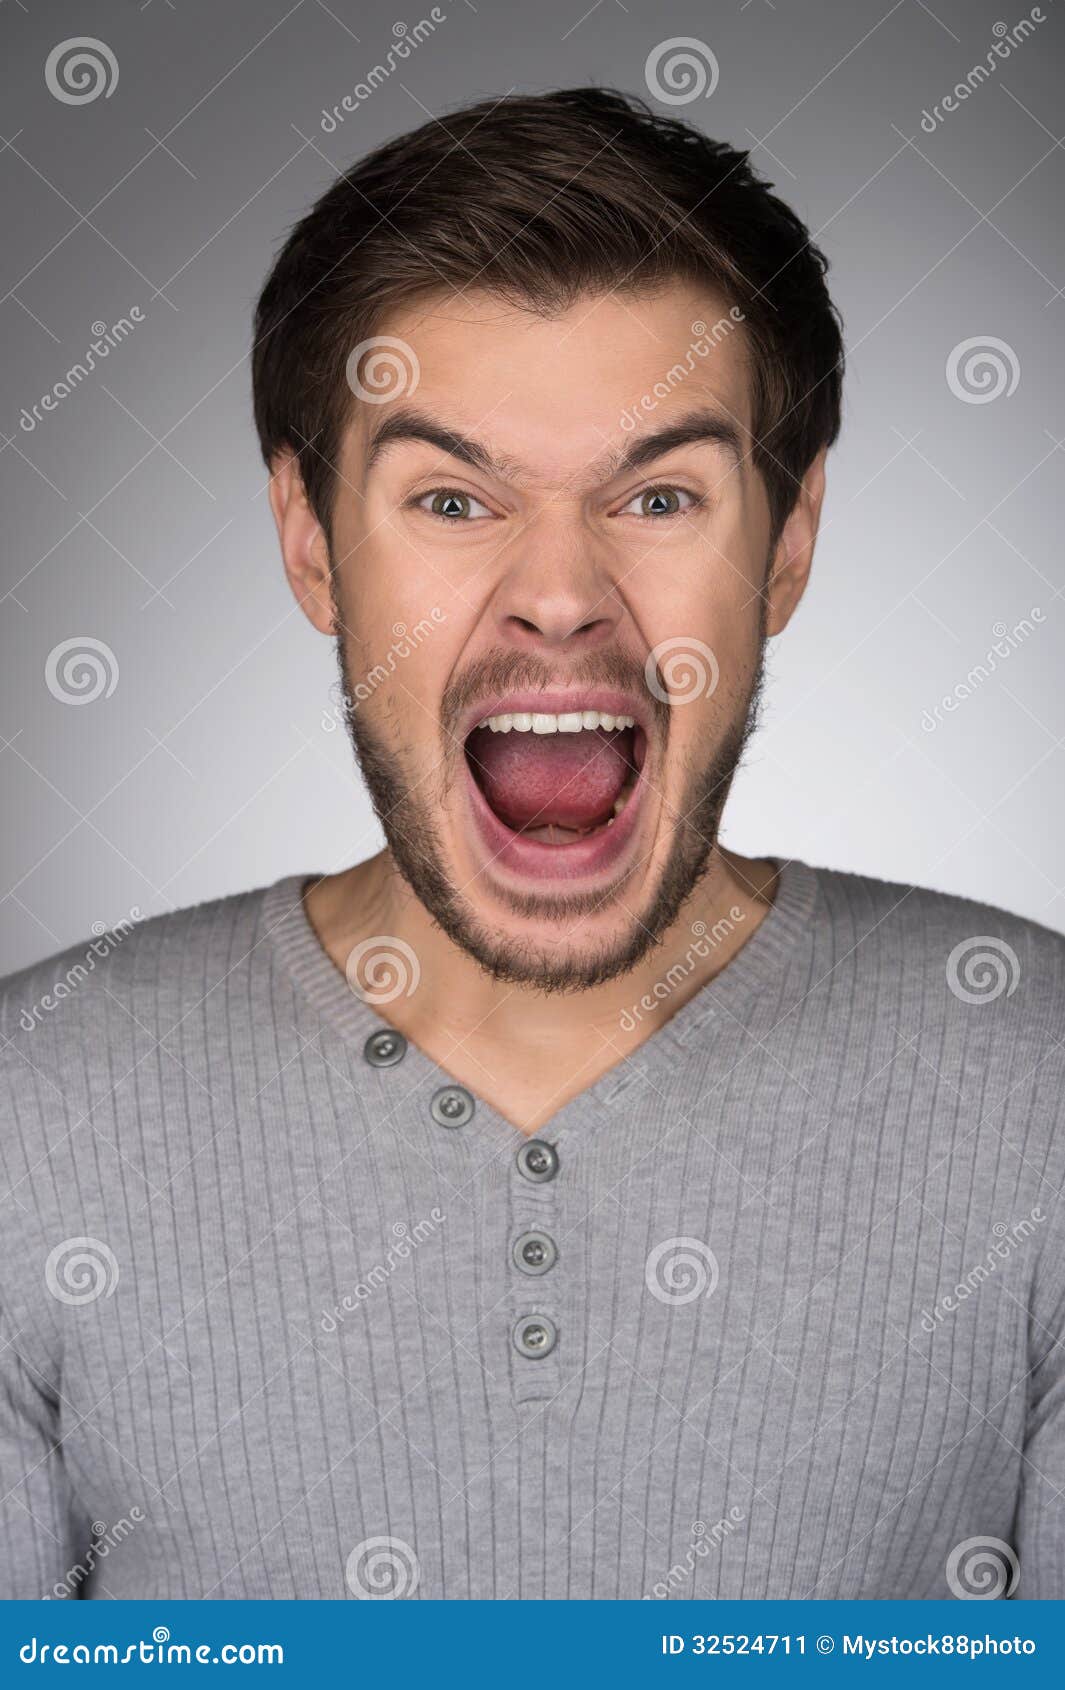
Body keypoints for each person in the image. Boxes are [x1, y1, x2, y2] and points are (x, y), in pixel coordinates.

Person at [1, 88, 1061, 1601]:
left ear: (790, 540)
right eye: (450, 497)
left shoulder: (1040, 1089)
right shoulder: (27, 1115)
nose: (558, 593)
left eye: (656, 495)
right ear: (310, 543)